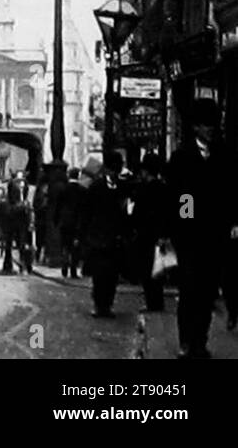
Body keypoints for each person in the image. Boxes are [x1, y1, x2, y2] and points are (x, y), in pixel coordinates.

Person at [166, 99, 236, 357]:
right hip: (191, 237)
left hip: (216, 236)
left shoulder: (225, 156)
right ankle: (186, 341)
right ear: (196, 128)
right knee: (189, 292)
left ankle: (200, 341)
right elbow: (181, 197)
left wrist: (230, 222)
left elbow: (231, 195)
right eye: (206, 125)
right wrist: (187, 223)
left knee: (207, 293)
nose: (210, 130)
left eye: (213, 125)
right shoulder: (182, 158)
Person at [80, 151, 128, 318]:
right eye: (115, 167)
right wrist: (85, 236)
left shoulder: (123, 187)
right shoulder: (96, 186)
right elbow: (86, 212)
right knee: (100, 274)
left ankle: (107, 304)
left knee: (112, 275)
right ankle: (99, 305)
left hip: (115, 238)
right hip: (98, 238)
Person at [130, 152, 169, 313]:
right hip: (158, 235)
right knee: (158, 270)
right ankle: (157, 302)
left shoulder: (143, 190)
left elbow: (136, 213)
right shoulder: (164, 188)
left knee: (147, 271)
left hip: (146, 235)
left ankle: (152, 303)